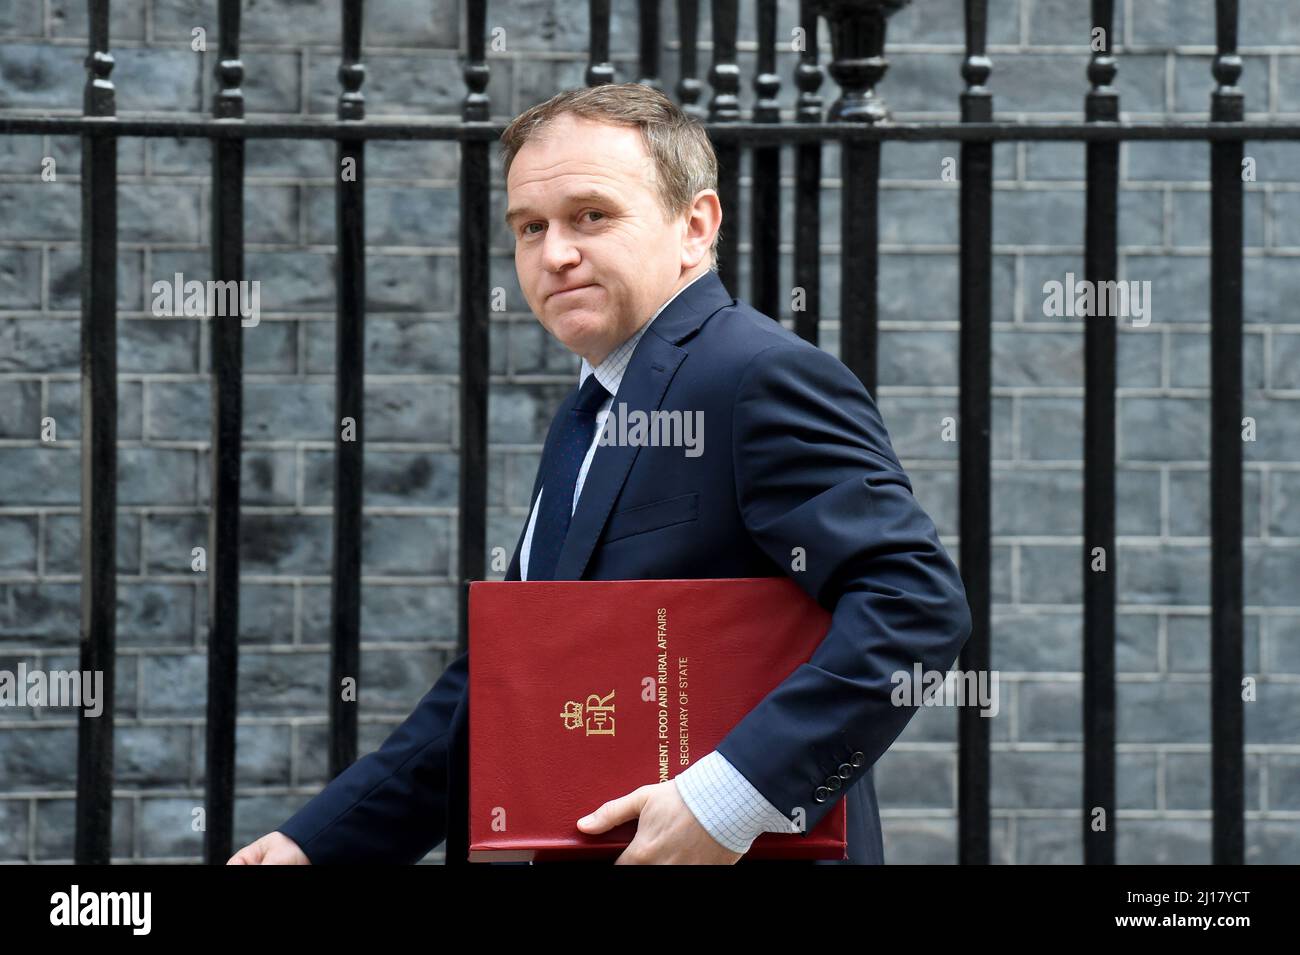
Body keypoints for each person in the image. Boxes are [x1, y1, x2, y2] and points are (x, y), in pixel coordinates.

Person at [229, 82, 971, 866]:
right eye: (529, 227)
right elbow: (509, 674)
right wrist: (320, 844)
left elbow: (915, 605)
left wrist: (726, 800)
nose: (554, 253)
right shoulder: (593, 408)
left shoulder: (757, 376)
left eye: (592, 215)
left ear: (696, 226)